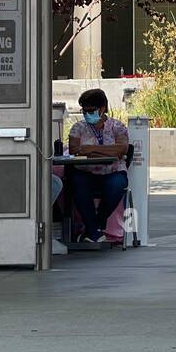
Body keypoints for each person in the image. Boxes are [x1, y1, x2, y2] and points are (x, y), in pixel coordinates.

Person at [66, 88, 130, 244]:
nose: (87, 114)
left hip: (112, 171)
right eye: (84, 111)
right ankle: (94, 229)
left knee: (117, 185)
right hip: (86, 172)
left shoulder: (117, 127)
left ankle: (96, 225)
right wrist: (107, 152)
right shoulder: (78, 128)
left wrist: (91, 149)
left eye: (91, 110)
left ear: (102, 109)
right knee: (77, 183)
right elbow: (75, 149)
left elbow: (122, 149)